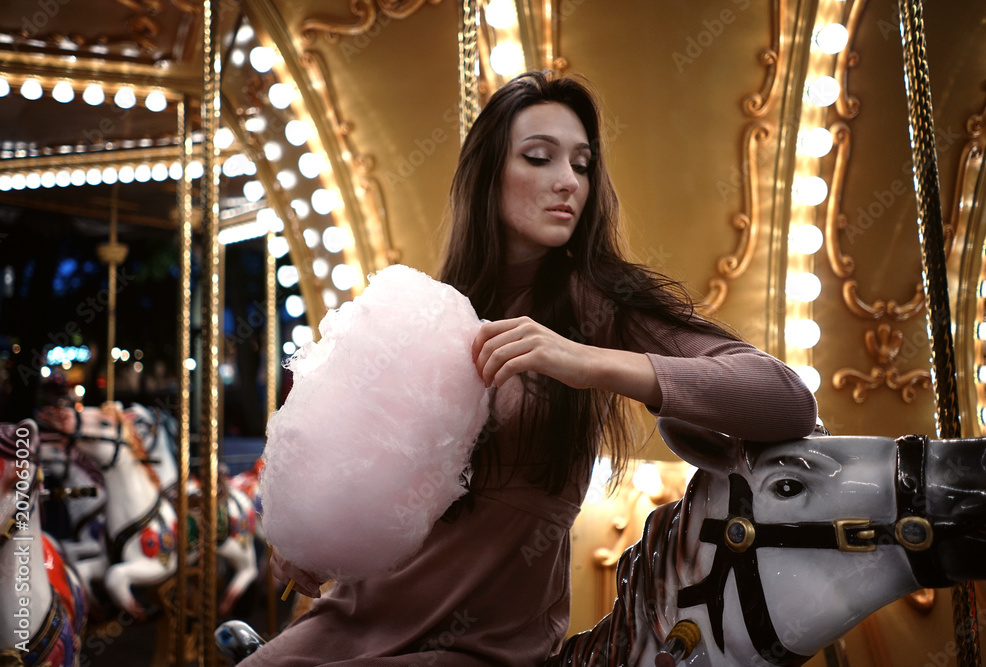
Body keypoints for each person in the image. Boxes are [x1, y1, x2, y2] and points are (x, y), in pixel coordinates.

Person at [243, 70, 817, 666]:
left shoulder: (597, 302)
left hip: (482, 646)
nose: (567, 182)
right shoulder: (433, 313)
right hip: (355, 618)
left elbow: (787, 397)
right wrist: (311, 545)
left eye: (582, 164)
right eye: (539, 158)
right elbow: (368, 479)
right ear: (488, 175)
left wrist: (589, 362)